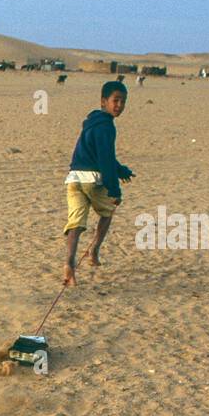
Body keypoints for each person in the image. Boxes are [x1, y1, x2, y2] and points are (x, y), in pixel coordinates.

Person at [62, 80, 134, 286]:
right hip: (93, 180)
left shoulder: (91, 123)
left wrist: (121, 170)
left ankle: (69, 263)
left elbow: (99, 155)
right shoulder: (107, 127)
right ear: (104, 101)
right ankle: (93, 250)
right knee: (108, 210)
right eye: (116, 100)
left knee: (75, 223)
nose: (119, 105)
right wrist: (114, 189)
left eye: (123, 102)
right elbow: (104, 160)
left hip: (74, 178)